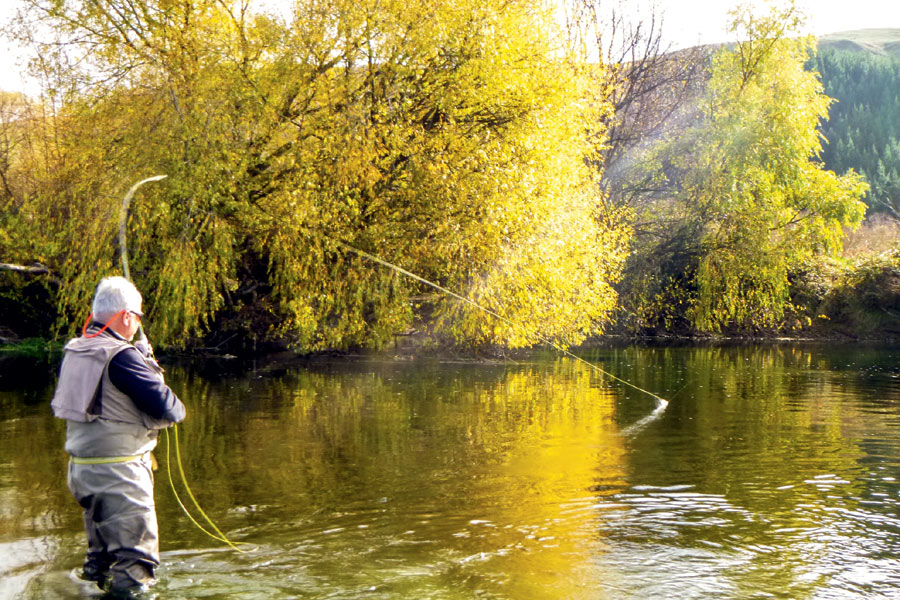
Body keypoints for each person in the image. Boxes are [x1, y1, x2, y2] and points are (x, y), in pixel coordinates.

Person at [51, 276, 186, 598]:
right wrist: (148, 366)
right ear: (126, 316)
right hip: (119, 474)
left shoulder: (75, 349)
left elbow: (108, 384)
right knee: (135, 564)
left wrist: (137, 358)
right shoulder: (122, 356)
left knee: (100, 559)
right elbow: (170, 408)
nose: (137, 324)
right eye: (137, 317)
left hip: (82, 472)